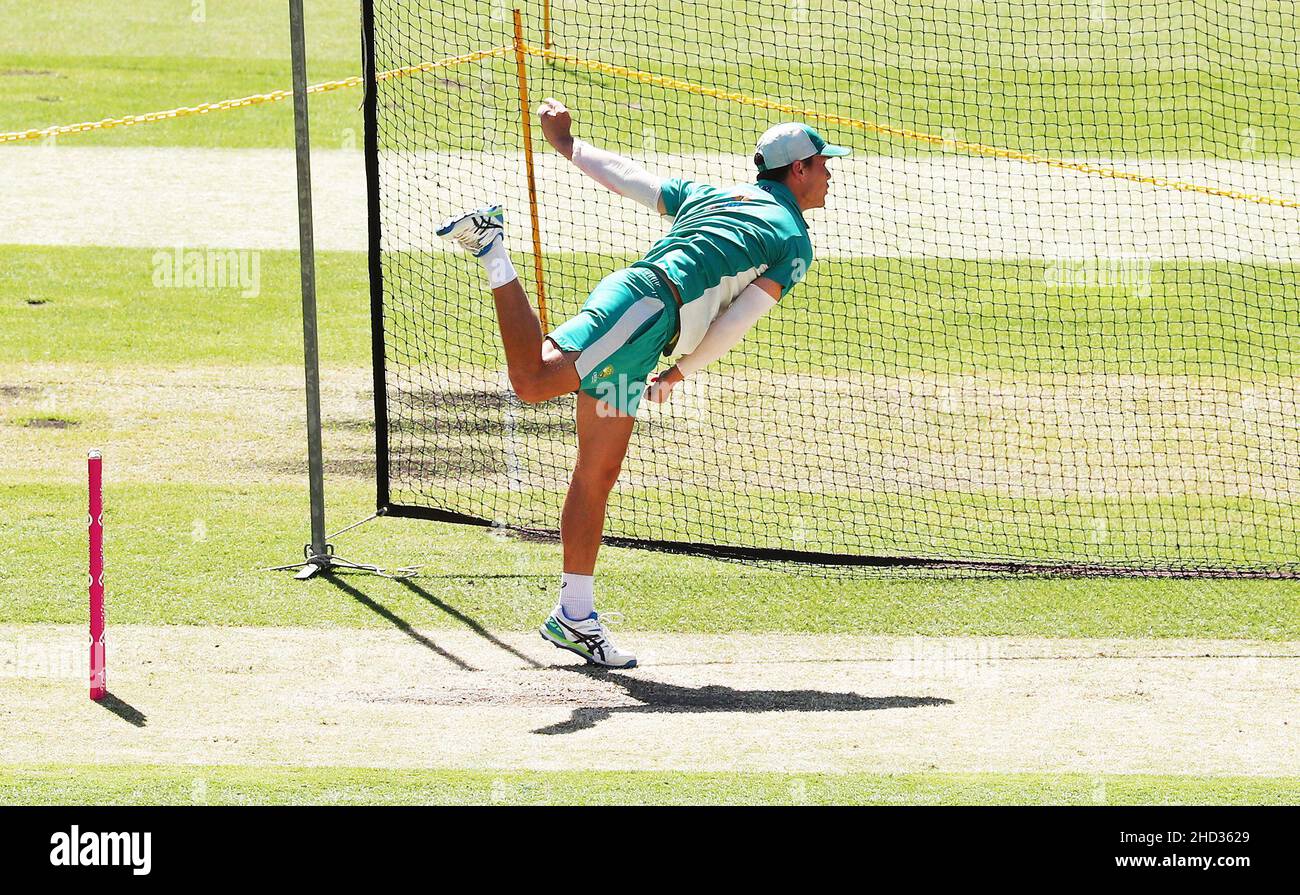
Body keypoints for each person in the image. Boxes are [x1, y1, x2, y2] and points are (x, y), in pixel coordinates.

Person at [438, 98, 849, 668]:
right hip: (645, 309)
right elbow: (739, 320)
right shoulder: (793, 240)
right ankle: (492, 250)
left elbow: (633, 180)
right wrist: (680, 373)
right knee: (534, 381)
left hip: (642, 321)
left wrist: (567, 145)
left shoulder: (715, 193)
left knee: (598, 471)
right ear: (797, 170)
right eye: (824, 163)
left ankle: (574, 616)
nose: (831, 173)